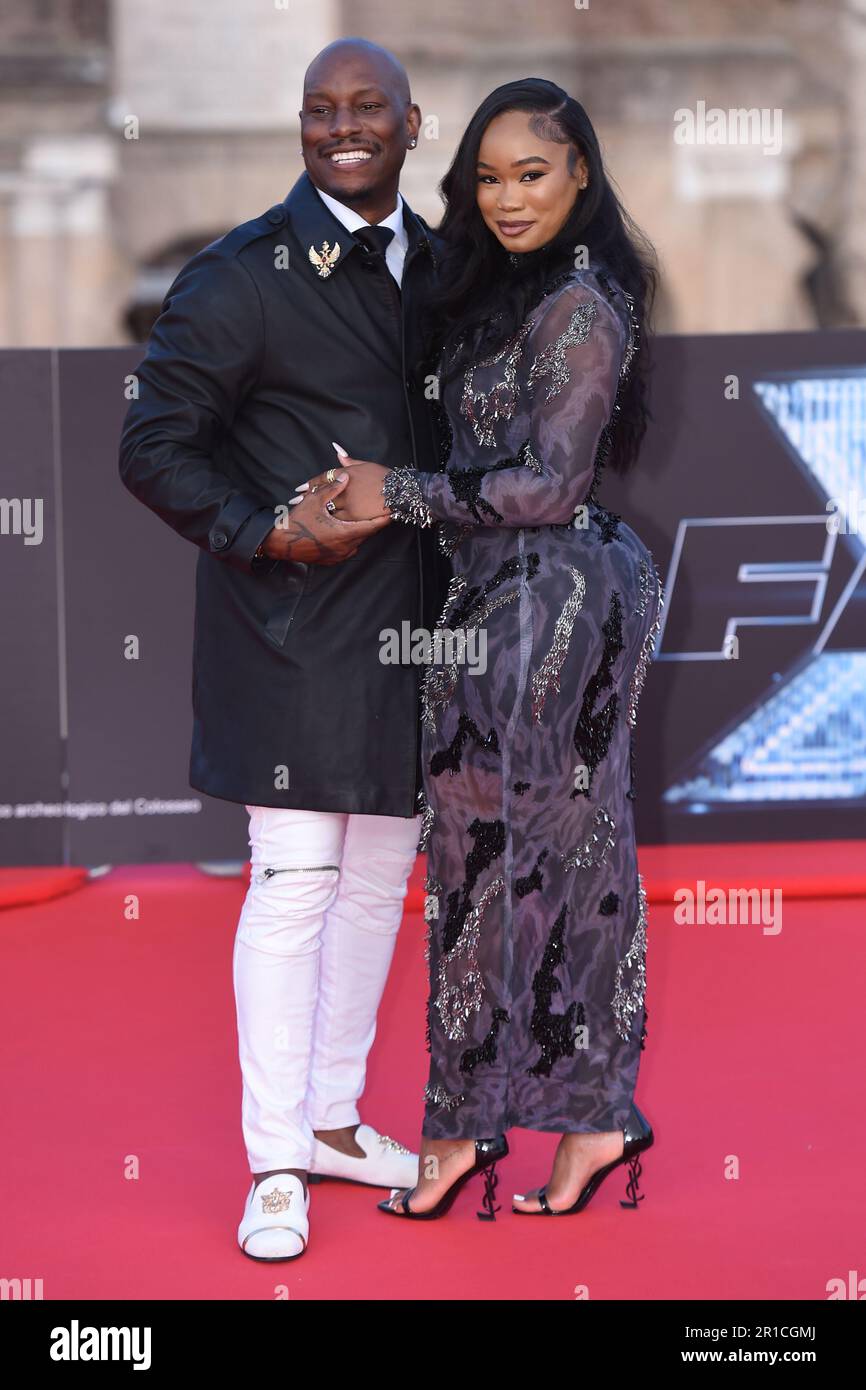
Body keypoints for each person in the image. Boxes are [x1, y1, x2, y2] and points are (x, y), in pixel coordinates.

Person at [301, 79, 665, 1221]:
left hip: (556, 598)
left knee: (548, 852)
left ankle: (550, 1116)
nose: (507, 198)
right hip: (488, 596)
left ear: (580, 178)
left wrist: (390, 493)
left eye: (533, 174)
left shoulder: (580, 304)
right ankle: (498, 1121)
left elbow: (550, 486)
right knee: (485, 855)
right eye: (489, 177)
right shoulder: (495, 291)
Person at [118, 38, 450, 1260]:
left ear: (414, 127)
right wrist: (262, 532)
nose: (341, 127)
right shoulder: (241, 274)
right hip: (290, 635)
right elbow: (152, 445)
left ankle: (332, 1119)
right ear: (300, 128)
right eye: (320, 110)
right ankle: (273, 1162)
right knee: (296, 886)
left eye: (368, 109)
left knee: (375, 888)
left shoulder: (447, 268)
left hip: (419, 636)